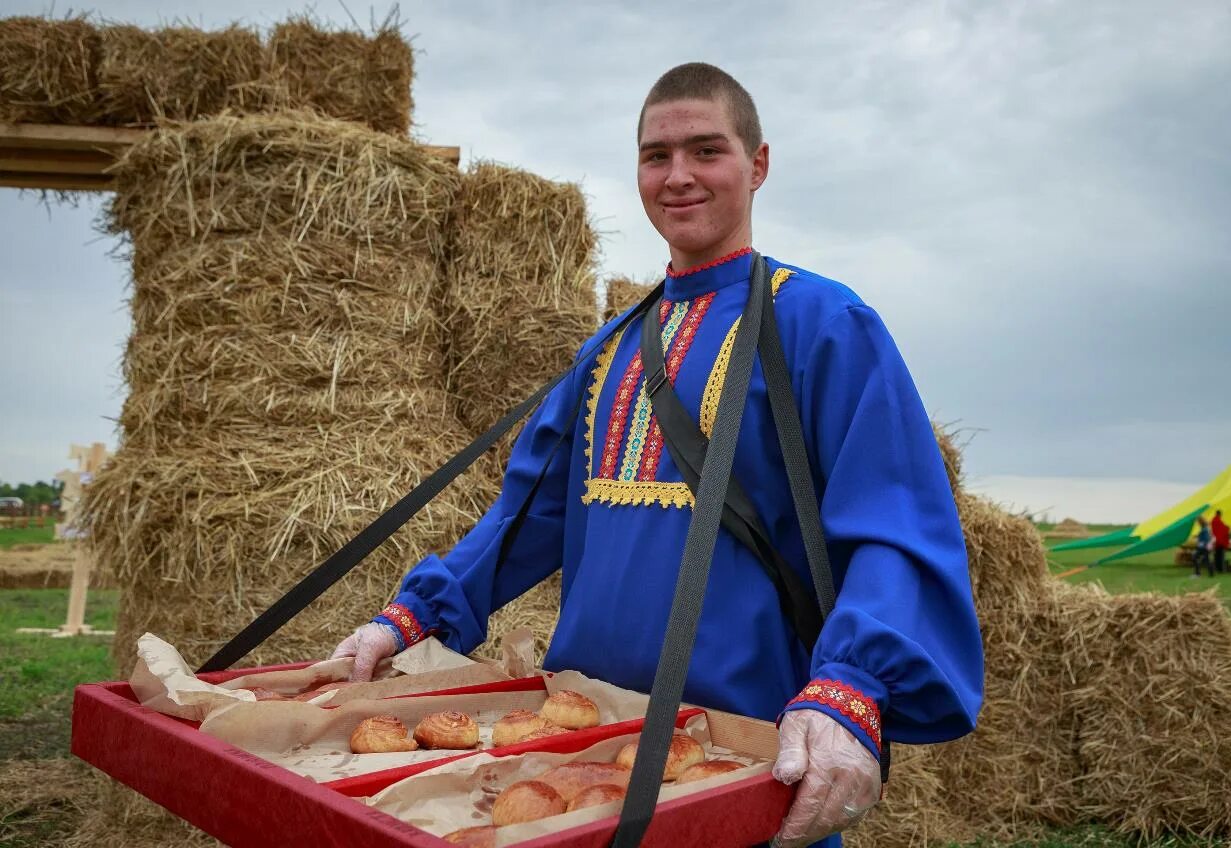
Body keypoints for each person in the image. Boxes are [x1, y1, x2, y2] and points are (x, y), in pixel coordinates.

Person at [332, 63, 984, 847]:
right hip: (580, 756)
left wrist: (851, 686)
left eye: (706, 150)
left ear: (758, 164)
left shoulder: (823, 323)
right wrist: (410, 618)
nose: (678, 176)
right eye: (656, 156)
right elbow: (524, 520)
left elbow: (895, 528)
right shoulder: (607, 350)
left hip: (740, 766)